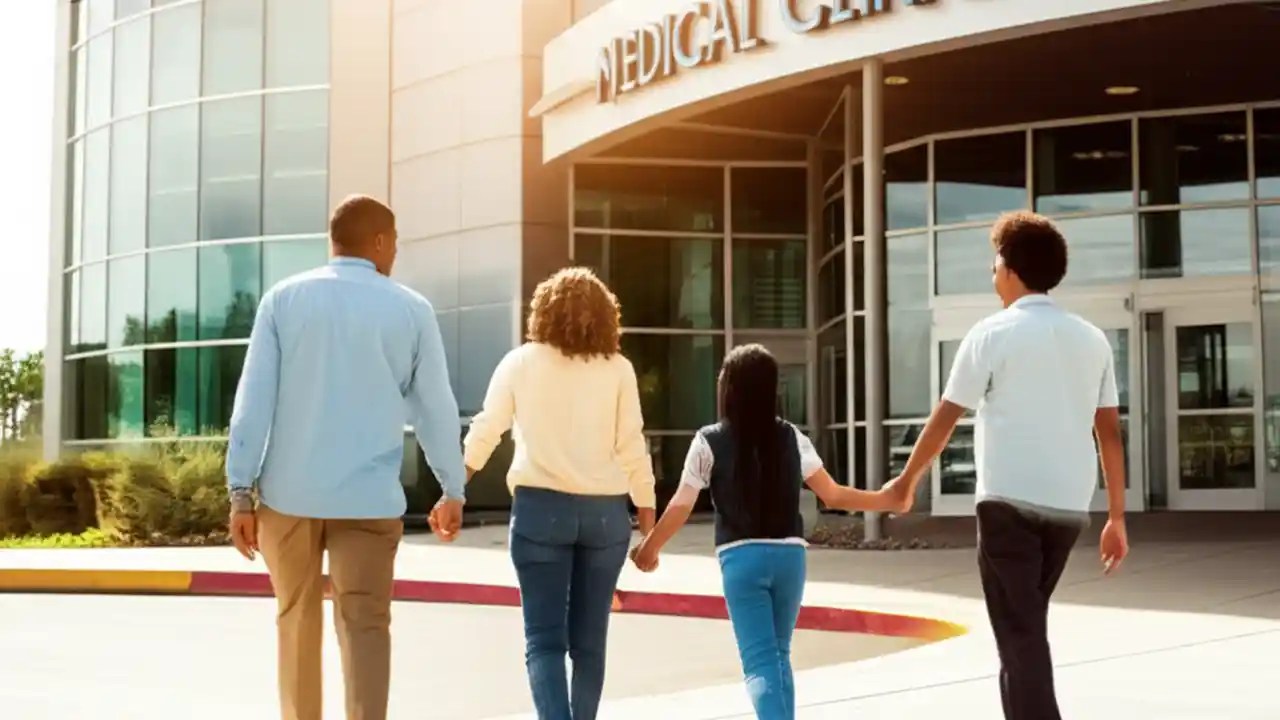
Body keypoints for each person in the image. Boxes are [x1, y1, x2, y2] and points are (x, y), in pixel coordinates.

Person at [224, 195, 468, 720]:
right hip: (367, 500)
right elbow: (435, 407)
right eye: (395, 242)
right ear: (379, 242)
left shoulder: (283, 301)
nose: (396, 253)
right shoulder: (411, 310)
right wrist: (452, 487)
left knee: (296, 620)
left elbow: (254, 399)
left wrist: (240, 491)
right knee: (366, 627)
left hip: (288, 499)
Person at [886, 211, 1129, 720]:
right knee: (1020, 631)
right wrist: (1116, 518)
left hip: (1008, 507)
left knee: (1020, 635)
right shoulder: (1093, 339)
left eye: (995, 262)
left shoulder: (991, 333)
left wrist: (907, 482)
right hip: (1068, 509)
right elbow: (1108, 432)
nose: (991, 273)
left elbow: (945, 418)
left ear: (1012, 267)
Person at [630, 344, 913, 720]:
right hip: (789, 558)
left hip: (740, 558)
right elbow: (832, 493)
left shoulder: (708, 441)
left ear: (728, 388)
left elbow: (681, 505)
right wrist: (886, 499)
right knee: (778, 656)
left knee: (760, 663)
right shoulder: (793, 437)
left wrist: (649, 549)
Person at [461, 267, 657, 720]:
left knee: (544, 642)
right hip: (605, 518)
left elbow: (487, 430)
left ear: (542, 314)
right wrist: (647, 523)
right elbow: (633, 446)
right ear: (607, 317)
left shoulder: (520, 362)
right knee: (590, 645)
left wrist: (454, 489)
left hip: (539, 512)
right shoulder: (620, 370)